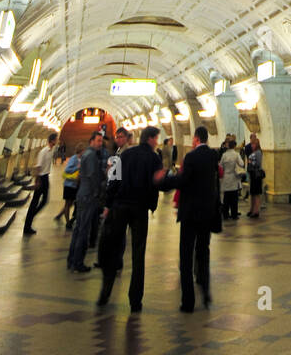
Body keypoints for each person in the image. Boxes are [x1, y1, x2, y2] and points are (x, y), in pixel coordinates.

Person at [155, 125, 221, 312]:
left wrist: (163, 180)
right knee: (203, 252)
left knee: (186, 255)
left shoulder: (191, 157)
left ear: (195, 139)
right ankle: (206, 293)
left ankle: (188, 301)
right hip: (207, 213)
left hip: (191, 213)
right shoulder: (212, 156)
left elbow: (182, 181)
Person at [97, 126, 162, 311]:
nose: (157, 142)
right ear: (150, 139)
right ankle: (135, 300)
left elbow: (113, 180)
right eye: (156, 138)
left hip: (120, 207)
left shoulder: (124, 155)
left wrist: (108, 205)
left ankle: (106, 291)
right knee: (138, 254)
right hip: (140, 210)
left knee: (113, 249)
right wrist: (152, 204)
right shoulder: (154, 158)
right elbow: (157, 184)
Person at [67, 130, 105, 273]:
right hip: (88, 196)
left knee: (78, 229)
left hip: (83, 194)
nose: (100, 143)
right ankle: (78, 262)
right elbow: (92, 177)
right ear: (91, 141)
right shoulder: (90, 156)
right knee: (83, 230)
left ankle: (71, 260)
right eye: (98, 141)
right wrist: (98, 194)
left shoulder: (88, 155)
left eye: (101, 141)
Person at [22, 130, 57, 236]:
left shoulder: (51, 151)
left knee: (44, 200)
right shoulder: (44, 151)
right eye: (56, 139)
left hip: (45, 177)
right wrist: (37, 181)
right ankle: (27, 225)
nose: (57, 140)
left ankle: (30, 218)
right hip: (41, 178)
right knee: (35, 202)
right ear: (52, 140)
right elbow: (38, 166)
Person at [55, 142, 83, 227]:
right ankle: (67, 222)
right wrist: (77, 167)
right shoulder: (74, 158)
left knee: (71, 203)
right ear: (80, 151)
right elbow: (67, 170)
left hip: (76, 185)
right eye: (83, 151)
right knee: (68, 203)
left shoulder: (81, 159)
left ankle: (60, 215)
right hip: (69, 184)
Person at [220, 137, 244, 221]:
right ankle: (234, 214)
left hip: (226, 177)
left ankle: (225, 214)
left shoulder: (224, 155)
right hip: (234, 177)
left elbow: (221, 166)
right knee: (234, 198)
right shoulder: (236, 154)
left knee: (226, 198)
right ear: (234, 146)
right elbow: (242, 163)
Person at [246, 134, 264, 219]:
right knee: (253, 193)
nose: (251, 146)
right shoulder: (254, 152)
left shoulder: (258, 153)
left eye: (253, 144)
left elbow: (258, 163)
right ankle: (252, 209)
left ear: (256, 145)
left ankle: (256, 211)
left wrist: (250, 162)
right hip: (253, 175)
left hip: (256, 176)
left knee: (256, 194)